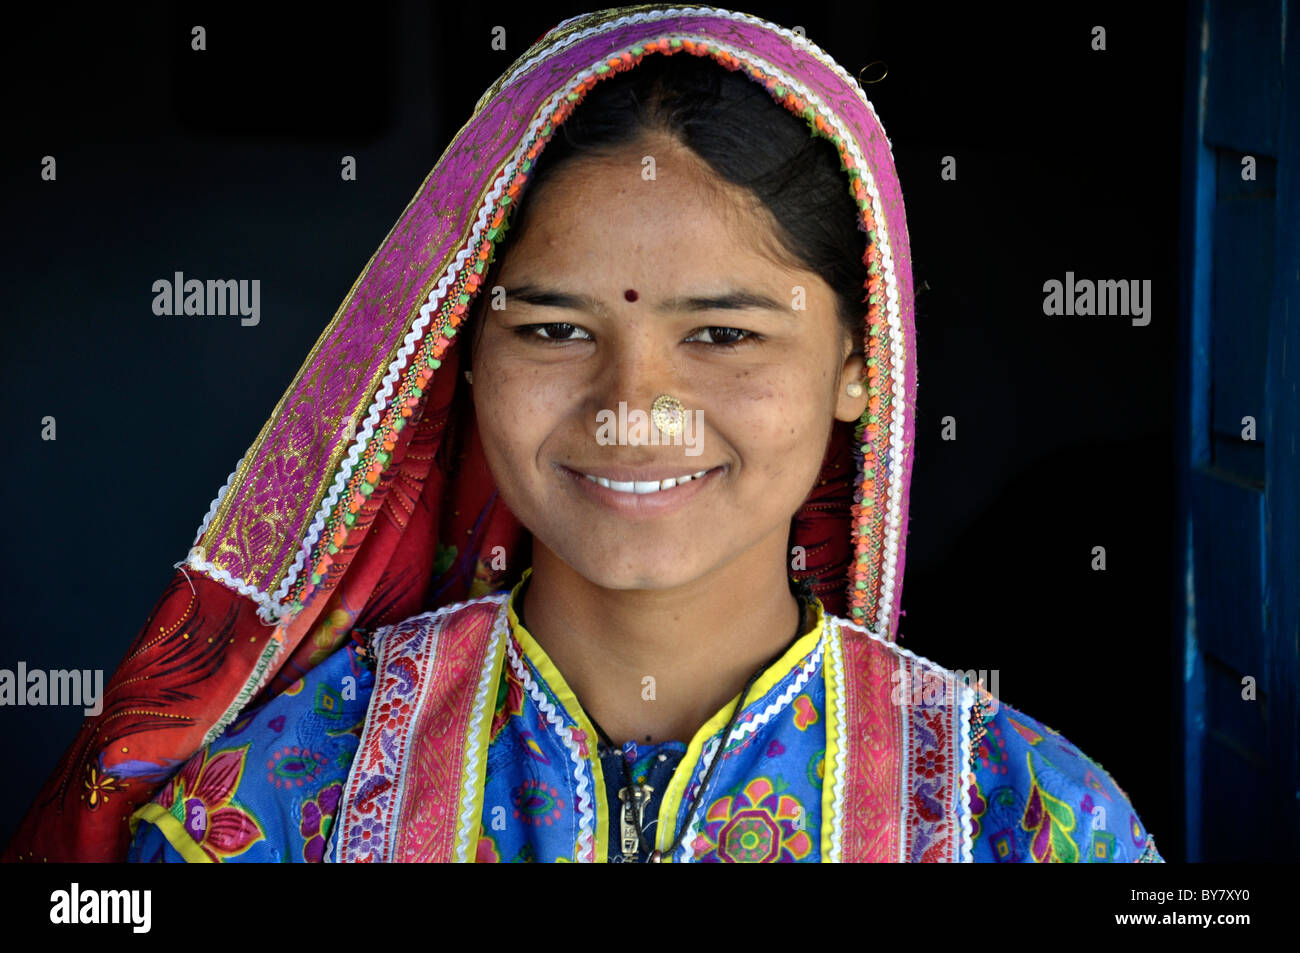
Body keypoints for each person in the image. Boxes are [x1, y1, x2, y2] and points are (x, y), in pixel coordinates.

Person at [6, 3, 1164, 863]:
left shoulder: (1025, 818)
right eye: (556, 329)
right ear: (462, 354)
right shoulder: (271, 807)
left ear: (862, 364)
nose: (634, 403)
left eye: (722, 333)